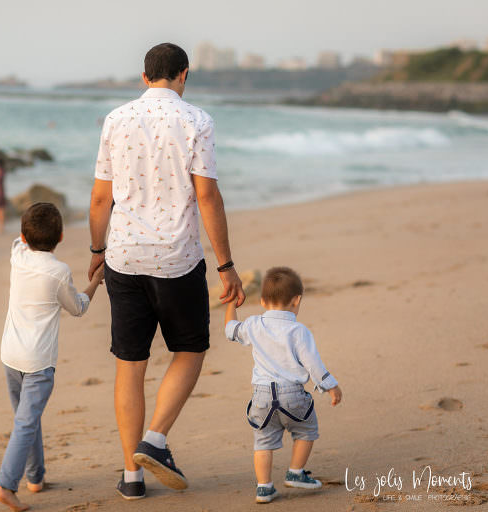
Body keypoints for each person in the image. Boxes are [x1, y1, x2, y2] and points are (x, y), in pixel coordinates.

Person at [88, 42, 246, 500]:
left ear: (144, 78)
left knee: (130, 363)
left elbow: (101, 198)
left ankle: (131, 477)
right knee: (190, 349)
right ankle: (155, 440)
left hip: (124, 256)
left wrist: (97, 249)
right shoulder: (197, 120)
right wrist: (226, 266)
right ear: (184, 75)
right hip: (178, 259)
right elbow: (207, 197)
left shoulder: (116, 120)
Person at [0, 202, 105, 511]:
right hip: (38, 362)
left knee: (26, 419)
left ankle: (35, 477)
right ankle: (5, 484)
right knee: (27, 423)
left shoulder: (18, 255)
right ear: (61, 237)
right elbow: (78, 308)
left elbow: (21, 238)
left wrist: (26, 232)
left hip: (10, 354)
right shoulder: (58, 271)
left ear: (23, 237)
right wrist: (96, 281)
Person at [224, 267, 342, 504]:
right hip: (293, 396)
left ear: (262, 301)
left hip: (262, 397)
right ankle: (296, 472)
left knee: (263, 442)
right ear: (297, 300)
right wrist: (330, 385)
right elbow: (313, 364)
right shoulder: (299, 331)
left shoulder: (254, 324)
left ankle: (264, 488)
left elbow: (230, 331)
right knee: (306, 431)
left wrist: (231, 305)